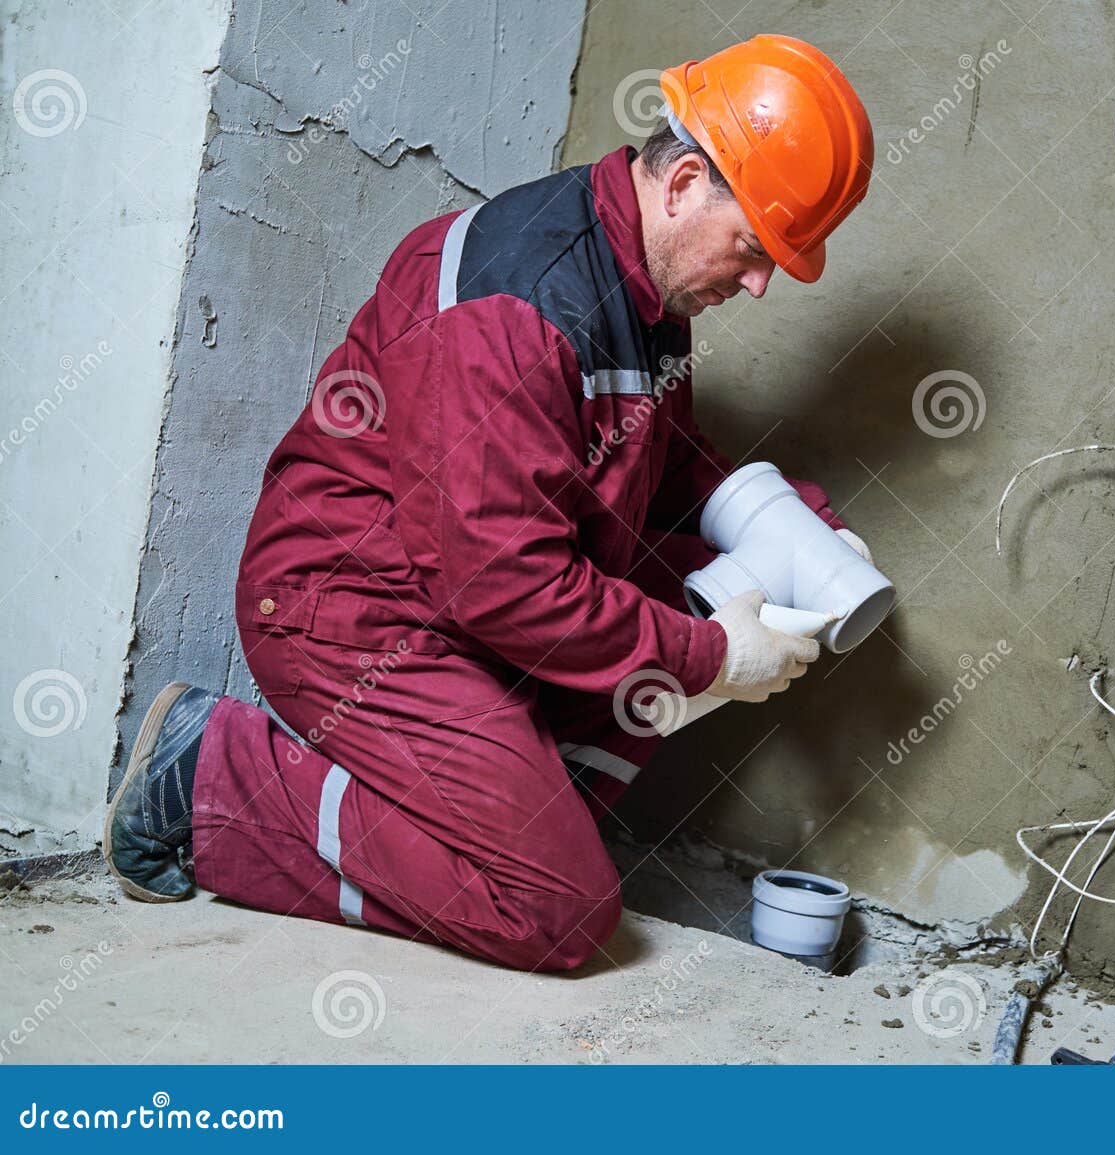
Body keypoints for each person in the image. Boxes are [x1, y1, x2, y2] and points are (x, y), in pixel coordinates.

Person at [103, 34, 875, 972]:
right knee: (558, 912)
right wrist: (713, 654)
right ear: (681, 187)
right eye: (754, 248)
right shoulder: (521, 307)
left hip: (456, 601)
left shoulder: (641, 289)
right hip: (351, 615)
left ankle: (508, 816)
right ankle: (213, 778)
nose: (757, 282)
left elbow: (662, 459)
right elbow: (503, 583)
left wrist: (799, 522)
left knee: (684, 596)